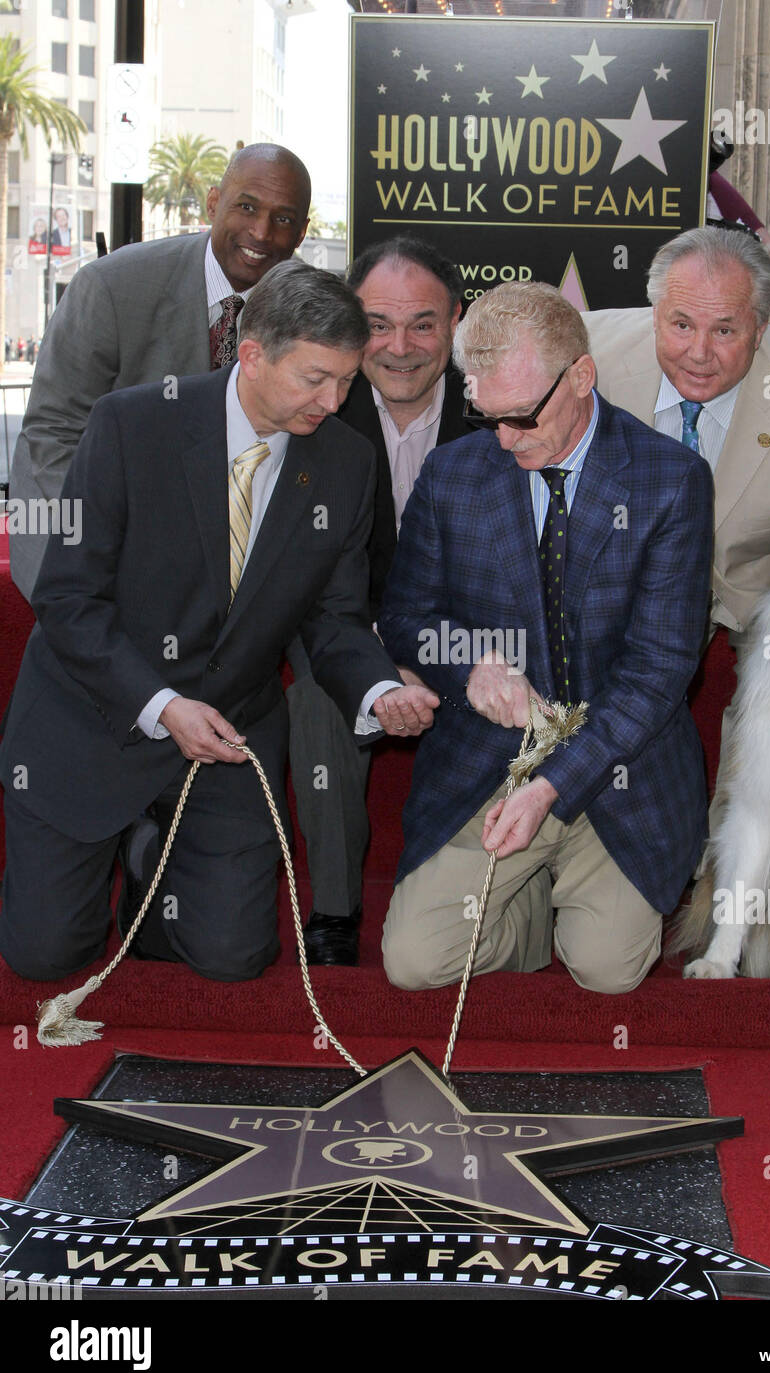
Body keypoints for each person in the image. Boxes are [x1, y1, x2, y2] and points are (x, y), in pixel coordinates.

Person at [0, 262, 437, 984]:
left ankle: (150, 864)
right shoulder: (130, 425)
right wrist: (162, 706)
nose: (332, 401)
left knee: (233, 958)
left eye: (346, 381)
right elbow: (69, 598)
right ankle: (122, 844)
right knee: (47, 958)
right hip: (95, 717)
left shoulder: (345, 464)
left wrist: (377, 690)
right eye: (314, 378)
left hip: (228, 734)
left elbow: (334, 618)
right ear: (253, 351)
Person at [378, 282, 714, 994]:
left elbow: (659, 672)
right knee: (414, 965)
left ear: (581, 377)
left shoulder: (671, 480)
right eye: (486, 416)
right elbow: (406, 619)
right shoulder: (452, 474)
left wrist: (551, 787)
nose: (503, 439)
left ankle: (561, 891)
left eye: (522, 417)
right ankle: (527, 915)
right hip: (488, 763)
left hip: (622, 768)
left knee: (607, 971)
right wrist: (468, 667)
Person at [8, 142, 312, 601]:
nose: (261, 231)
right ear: (213, 203)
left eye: (283, 219)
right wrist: (134, 536)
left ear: (303, 232)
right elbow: (53, 431)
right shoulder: (112, 287)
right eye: (246, 206)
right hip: (81, 525)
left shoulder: (307, 312)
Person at [290, 236, 472, 966]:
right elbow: (305, 581)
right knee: (315, 690)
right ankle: (334, 908)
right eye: (377, 325)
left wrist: (445, 652)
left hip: (473, 635)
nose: (400, 347)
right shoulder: (314, 416)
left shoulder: (502, 410)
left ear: (456, 321)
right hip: (348, 626)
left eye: (423, 323)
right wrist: (377, 662)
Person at [584, 226, 770, 639]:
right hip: (599, 603)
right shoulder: (584, 357)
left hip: (740, 625)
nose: (699, 353)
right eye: (681, 325)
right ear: (655, 315)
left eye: (724, 331)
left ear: (759, 332)